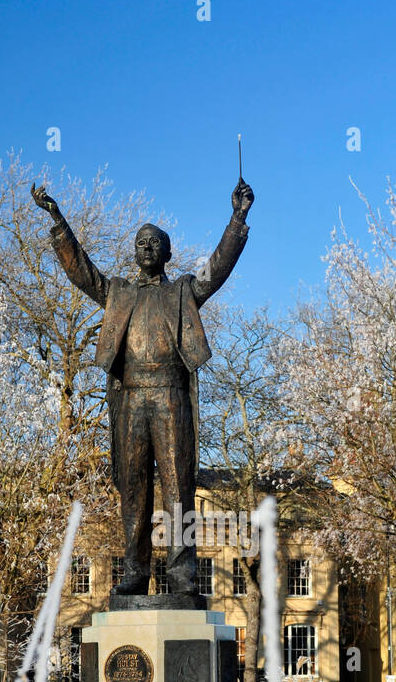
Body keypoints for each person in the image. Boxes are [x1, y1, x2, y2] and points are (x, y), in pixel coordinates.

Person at [31, 176, 254, 596]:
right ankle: (135, 571)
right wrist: (57, 220)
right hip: (131, 399)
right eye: (141, 243)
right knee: (132, 486)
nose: (147, 248)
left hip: (171, 397)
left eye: (154, 243)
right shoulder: (117, 293)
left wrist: (237, 218)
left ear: (168, 252)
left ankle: (182, 573)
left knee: (177, 486)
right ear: (134, 253)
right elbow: (80, 271)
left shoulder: (184, 291)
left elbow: (218, 267)